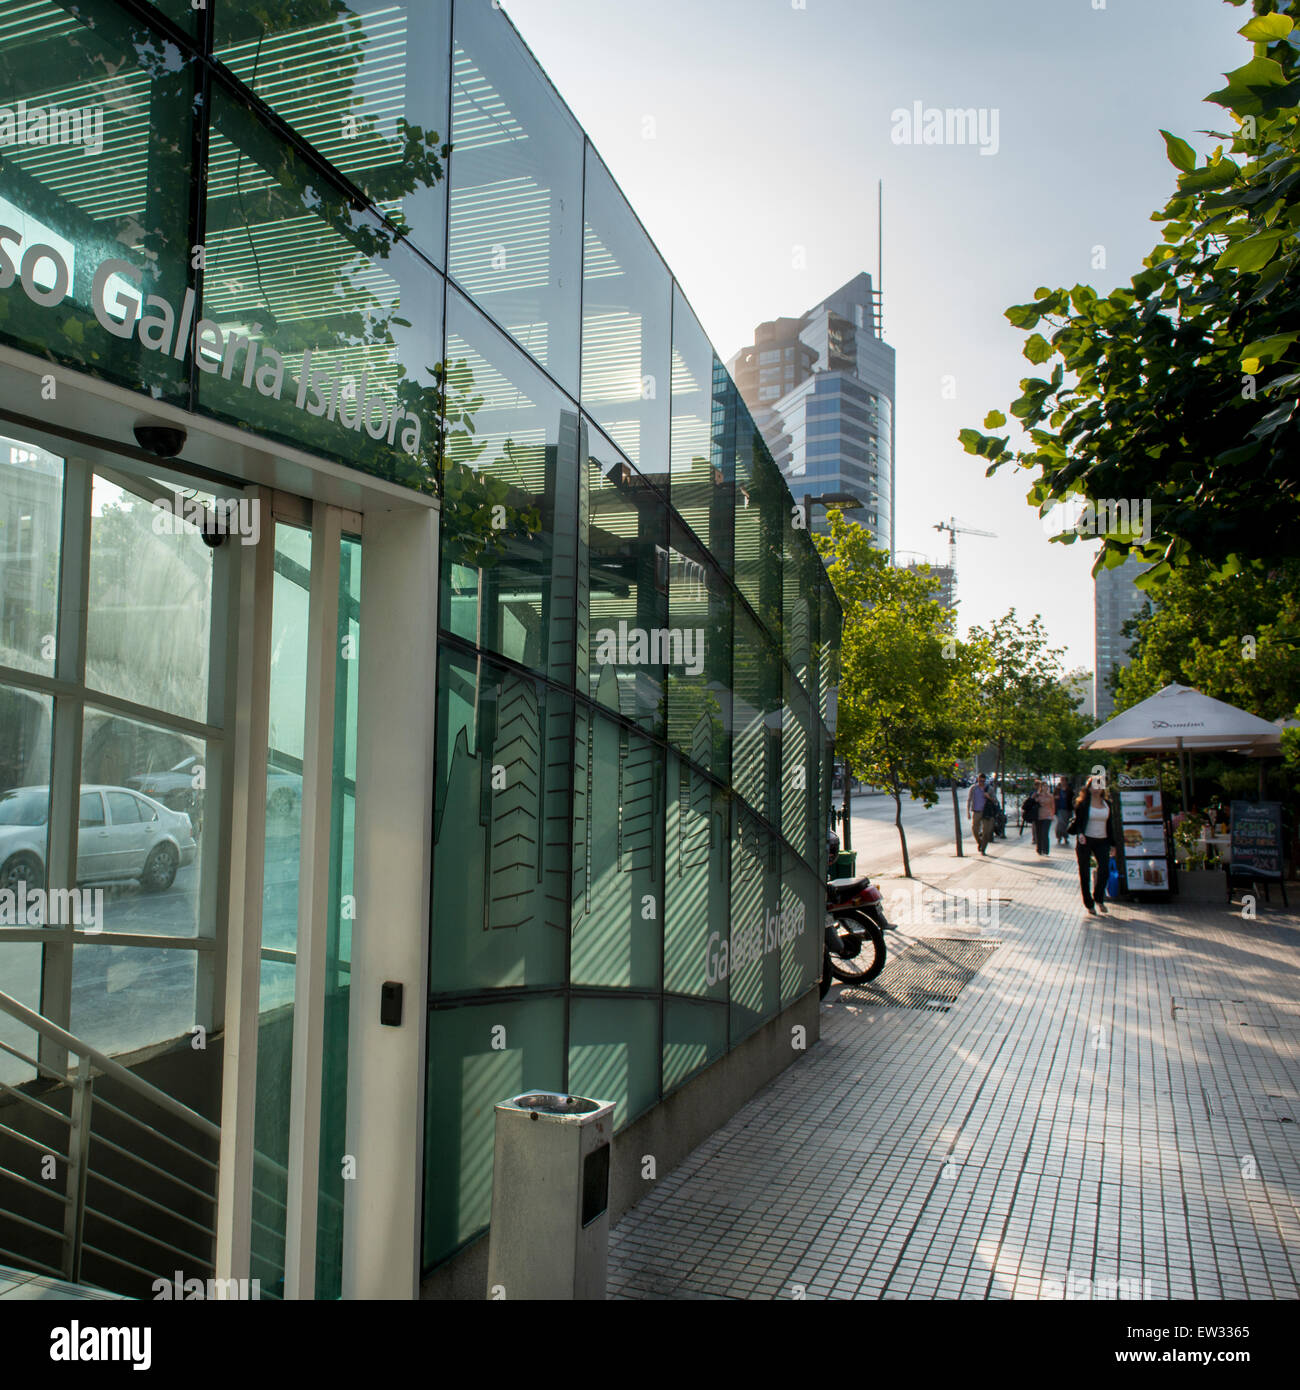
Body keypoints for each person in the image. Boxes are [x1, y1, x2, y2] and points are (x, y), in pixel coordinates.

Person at [1067, 775, 1120, 915]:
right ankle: (1089, 903)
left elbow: (1110, 825)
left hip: (1102, 840)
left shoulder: (1107, 804)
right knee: (1084, 872)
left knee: (1104, 870)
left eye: (1099, 786)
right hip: (1086, 840)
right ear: (1088, 788)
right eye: (1093, 786)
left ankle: (1099, 897)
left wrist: (1113, 844)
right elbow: (1078, 822)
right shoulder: (1083, 804)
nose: (1096, 789)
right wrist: (1080, 834)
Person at [966, 773, 992, 854]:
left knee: (986, 832)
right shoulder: (973, 788)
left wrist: (989, 797)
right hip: (976, 811)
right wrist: (968, 812)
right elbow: (969, 799)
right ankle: (980, 842)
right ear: (977, 779)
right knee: (975, 829)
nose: (982, 782)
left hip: (986, 812)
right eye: (980, 780)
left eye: (983, 781)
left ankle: (983, 849)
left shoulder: (989, 788)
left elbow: (995, 800)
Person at [1034, 778, 1055, 855]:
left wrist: (1052, 815)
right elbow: (1033, 802)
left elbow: (1053, 806)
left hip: (1048, 816)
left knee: (1045, 833)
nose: (1045, 788)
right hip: (1039, 816)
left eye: (1046, 786)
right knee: (1039, 833)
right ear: (1041, 787)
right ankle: (1039, 849)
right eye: (1044, 786)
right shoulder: (1038, 795)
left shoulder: (1050, 796)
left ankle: (1046, 850)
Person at [1054, 779, 1072, 846]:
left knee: (1065, 824)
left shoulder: (1069, 789)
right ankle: (1059, 836)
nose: (1063, 782)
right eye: (1062, 781)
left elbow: (1072, 798)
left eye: (1064, 781)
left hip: (1067, 809)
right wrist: (1055, 798)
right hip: (1059, 809)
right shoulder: (1058, 789)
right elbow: (1053, 797)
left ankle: (1065, 837)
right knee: (1060, 823)